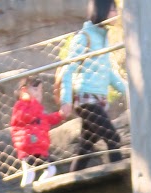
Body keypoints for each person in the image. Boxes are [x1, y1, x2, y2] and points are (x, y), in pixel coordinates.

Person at [58, 0, 127, 173]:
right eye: (112, 9)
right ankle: (120, 178)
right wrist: (65, 100)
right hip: (86, 100)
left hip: (99, 100)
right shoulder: (84, 37)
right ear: (102, 10)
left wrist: (130, 91)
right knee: (113, 138)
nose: (115, 13)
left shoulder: (103, 37)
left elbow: (108, 72)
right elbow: (68, 70)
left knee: (86, 146)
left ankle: (71, 183)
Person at [10, 75, 65, 187]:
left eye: (41, 90)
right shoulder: (21, 105)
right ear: (24, 90)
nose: (39, 93)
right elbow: (25, 117)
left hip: (39, 148)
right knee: (29, 174)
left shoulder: (37, 108)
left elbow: (46, 119)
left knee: (51, 169)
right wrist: (34, 102)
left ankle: (39, 187)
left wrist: (60, 115)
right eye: (35, 89)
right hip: (28, 147)